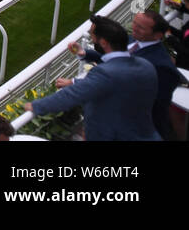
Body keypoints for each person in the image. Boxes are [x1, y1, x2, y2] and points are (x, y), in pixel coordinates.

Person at [26, 14, 161, 140]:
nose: (91, 40)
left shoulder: (105, 73)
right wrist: (83, 53)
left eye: (93, 37)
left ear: (103, 43)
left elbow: (70, 96)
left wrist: (35, 106)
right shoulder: (146, 66)